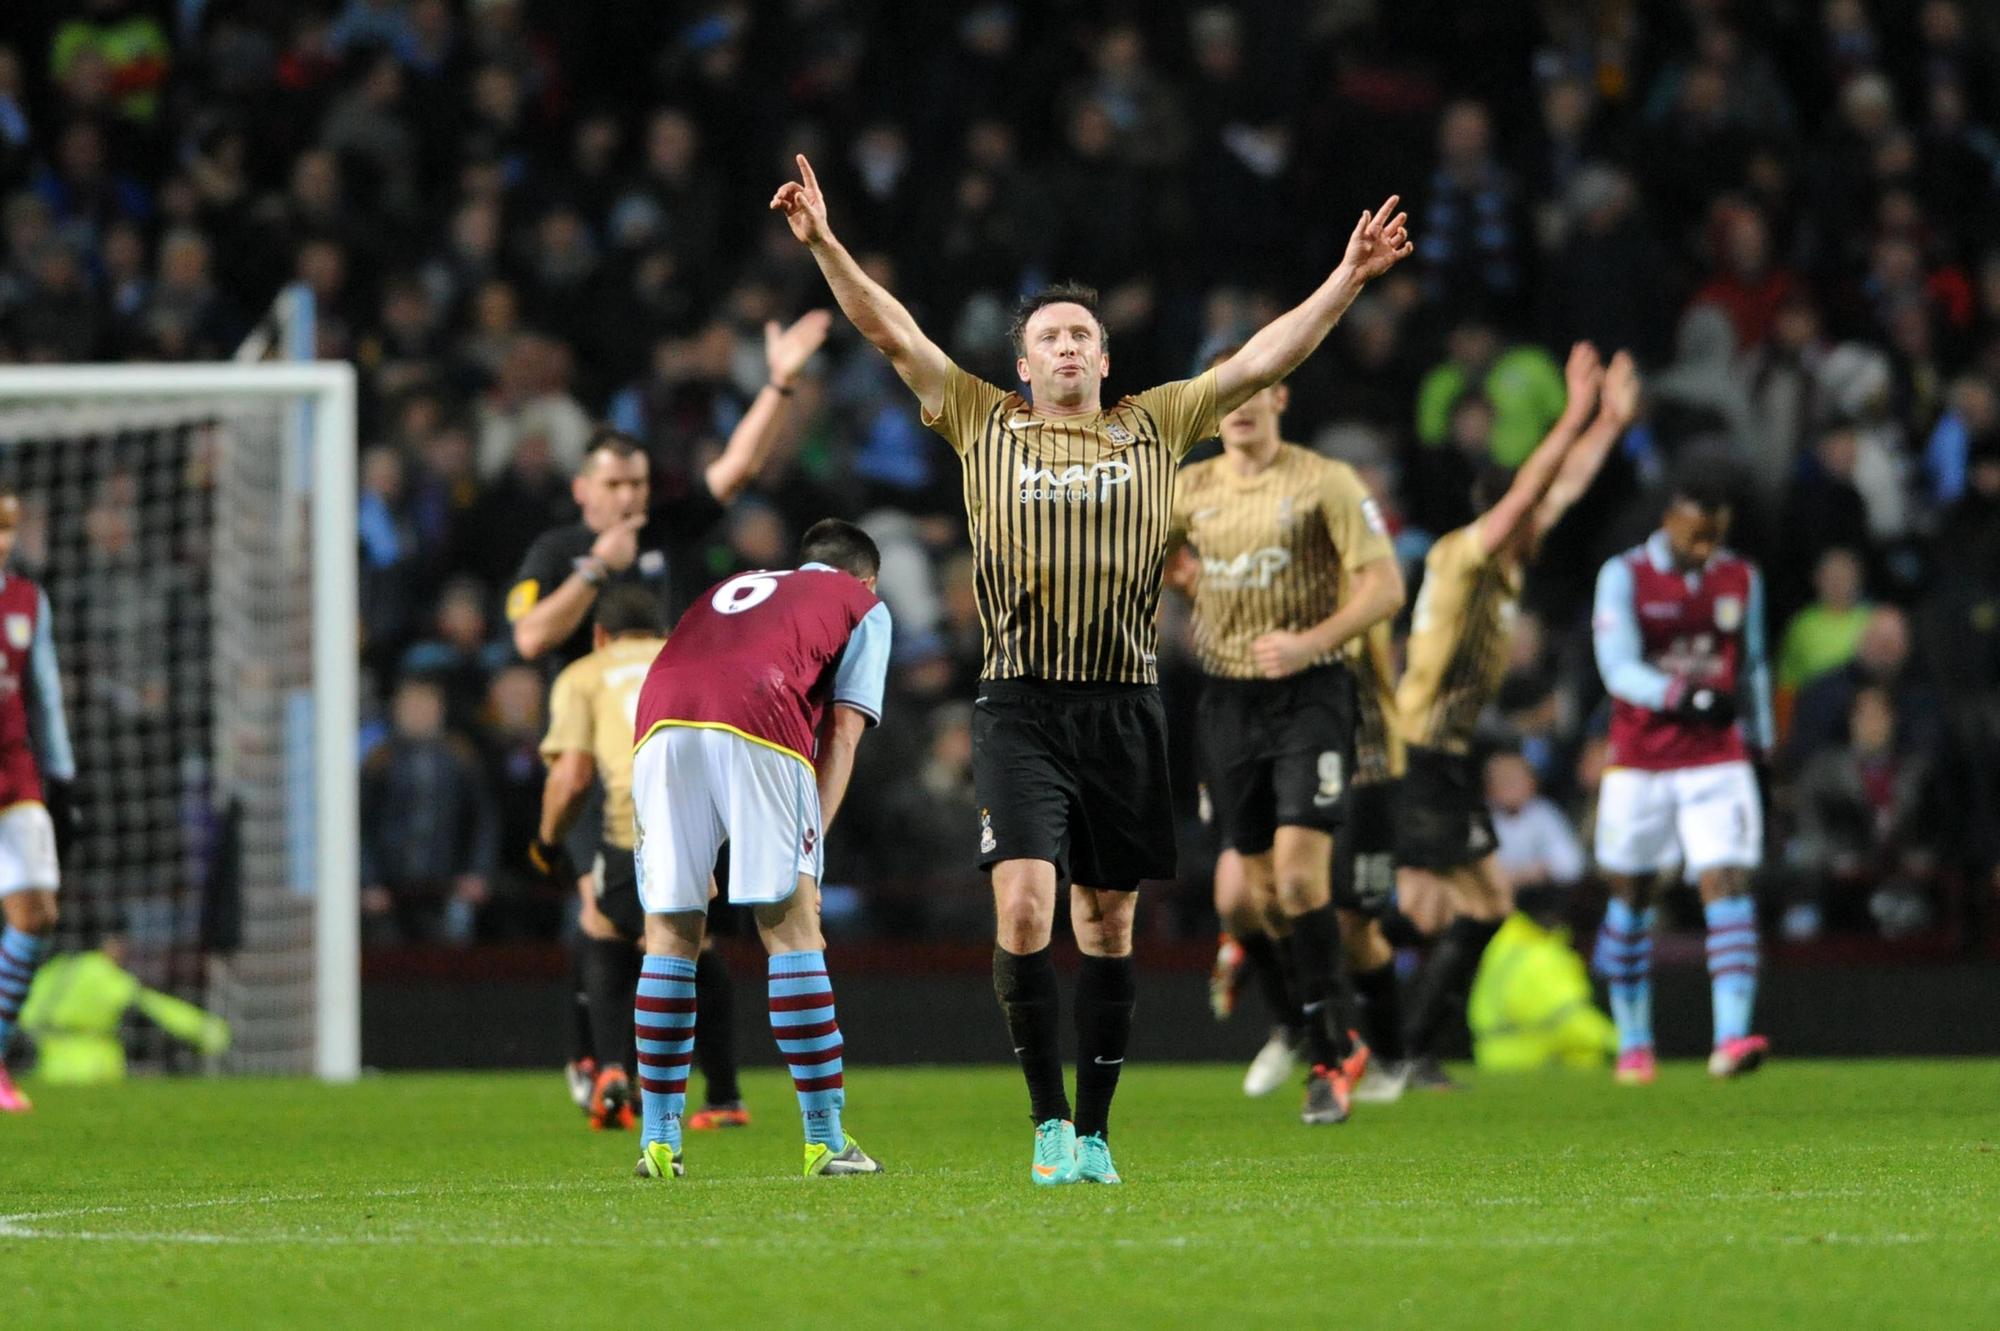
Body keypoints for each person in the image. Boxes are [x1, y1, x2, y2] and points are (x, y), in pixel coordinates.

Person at [774, 152, 1412, 1184]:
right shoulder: (982, 420)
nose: (1065, 346)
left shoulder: (1154, 425)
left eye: (1080, 334)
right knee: (1024, 907)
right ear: (1023, 366)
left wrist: (1346, 279)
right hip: (1018, 703)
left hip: (1123, 705)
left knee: (1105, 918)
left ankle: (1100, 1132)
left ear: (1101, 362)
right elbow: (890, 330)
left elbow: (1256, 360)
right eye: (1047, 337)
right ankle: (1046, 1123)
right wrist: (823, 246)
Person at [508, 309, 824, 1117]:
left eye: (638, 486)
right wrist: (591, 568)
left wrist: (780, 381)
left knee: (675, 918)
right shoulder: (554, 552)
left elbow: (739, 467)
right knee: (602, 906)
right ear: (583, 490)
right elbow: (530, 634)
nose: (628, 499)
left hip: (676, 742)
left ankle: (655, 1075)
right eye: (614, 486)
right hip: (589, 744)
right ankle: (604, 1062)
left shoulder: (666, 530)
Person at [1168, 350, 1406, 1123]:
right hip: (1227, 702)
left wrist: (1312, 641)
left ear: (1280, 393)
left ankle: (1334, 1055)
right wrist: (1181, 578)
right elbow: (1132, 555)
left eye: (1253, 387)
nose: (1239, 403)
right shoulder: (1188, 489)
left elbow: (1385, 584)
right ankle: (1316, 1030)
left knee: (1303, 882)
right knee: (1252, 894)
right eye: (1224, 392)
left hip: (1312, 693)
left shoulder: (1325, 480)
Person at [1393, 345, 1637, 1090]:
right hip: (1418, 751)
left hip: (1443, 755)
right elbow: (1538, 485)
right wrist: (1572, 412)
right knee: (1472, 902)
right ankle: (1390, 1042)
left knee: (1451, 906)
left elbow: (1558, 488)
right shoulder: (1461, 557)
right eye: (1529, 513)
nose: (1543, 520)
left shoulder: (1506, 568)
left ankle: (1392, 1041)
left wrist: (1609, 422)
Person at [627, 518, 892, 1181]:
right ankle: (825, 1140)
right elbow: (844, 733)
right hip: (759, 711)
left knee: (670, 932)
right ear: (866, 578)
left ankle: (658, 1142)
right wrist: (812, 854)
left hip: (657, 719)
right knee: (790, 925)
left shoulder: (738, 584)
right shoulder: (863, 605)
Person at [533, 585, 749, 1132]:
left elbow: (572, 777)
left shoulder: (584, 674)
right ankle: (723, 1094)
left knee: (603, 927)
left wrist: (547, 842)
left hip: (636, 824)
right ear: (663, 633)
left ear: (600, 635)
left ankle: (613, 1073)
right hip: (717, 822)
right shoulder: (692, 659)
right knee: (696, 945)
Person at [1590, 475, 1776, 1085]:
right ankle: (1634, 1041)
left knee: (1727, 880)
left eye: (1716, 537)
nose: (1705, 550)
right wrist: (1682, 695)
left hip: (1716, 758)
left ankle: (1729, 1039)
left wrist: (1763, 743)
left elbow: (1750, 665)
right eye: (1697, 535)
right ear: (1671, 517)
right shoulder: (1623, 575)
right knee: (1634, 895)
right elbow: (1617, 668)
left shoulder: (1741, 577)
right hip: (1640, 759)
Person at [0, 487, 79, 1113]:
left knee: (38, 913)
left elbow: (44, 696)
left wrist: (65, 780)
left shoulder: (27, 601)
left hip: (14, 772)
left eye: (8, 528)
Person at [17, 909, 231, 1084]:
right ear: (110, 942)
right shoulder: (103, 973)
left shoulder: (54, 969)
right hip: (95, 1069)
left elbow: (25, 1014)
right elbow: (154, 1006)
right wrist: (205, 1030)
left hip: (48, 1069)